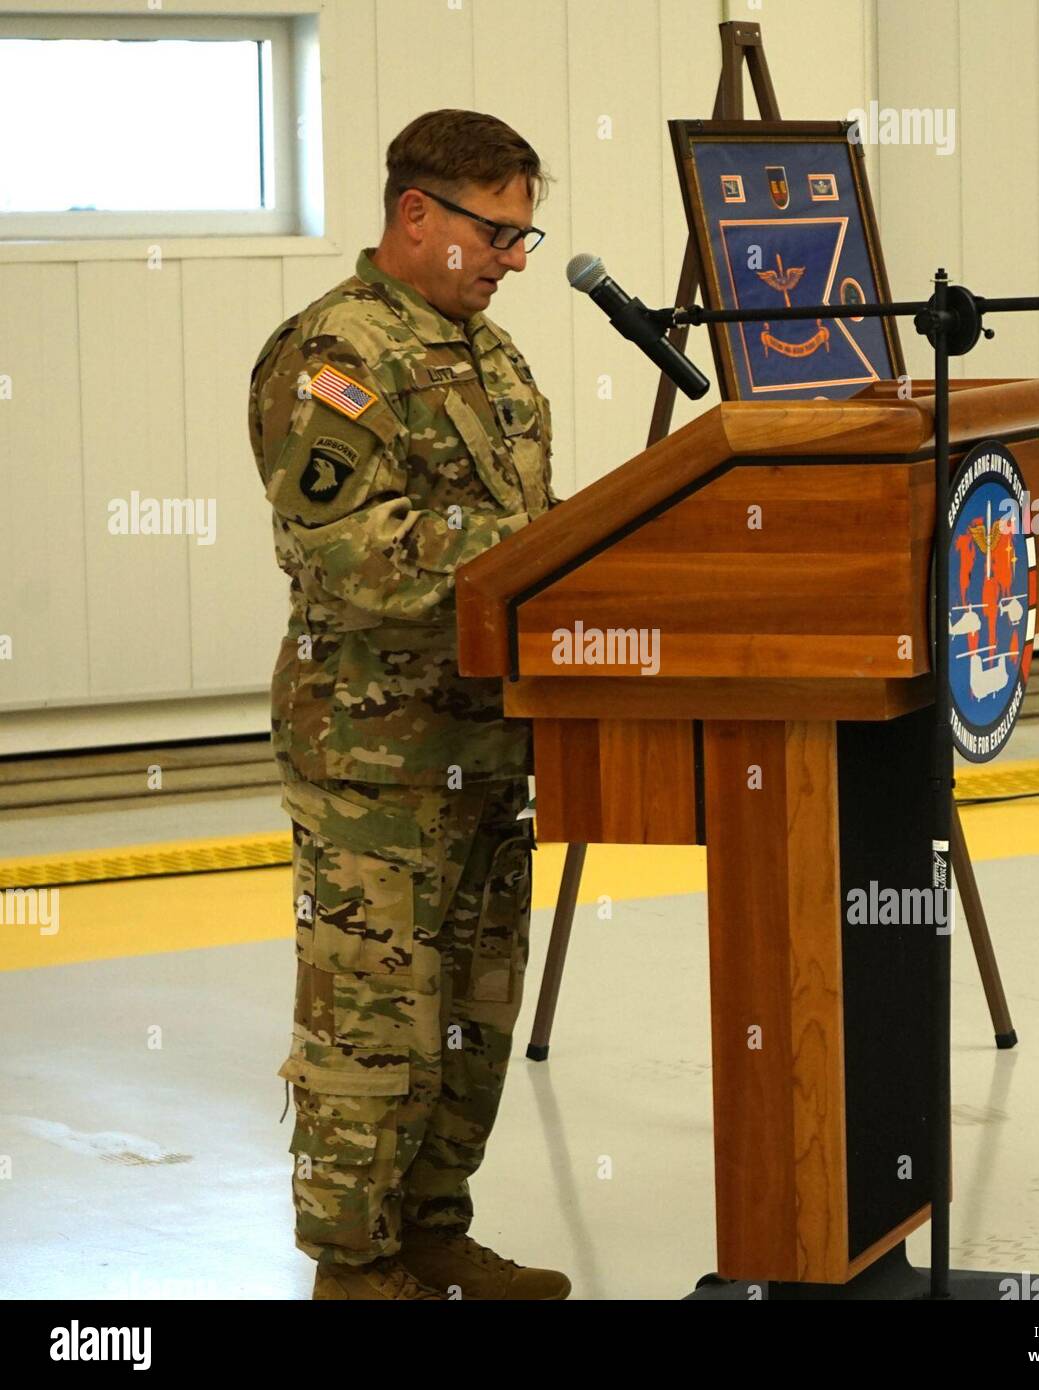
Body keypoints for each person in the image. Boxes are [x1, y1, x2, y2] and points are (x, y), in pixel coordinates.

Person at [247, 108, 568, 1301]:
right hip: (372, 754)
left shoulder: (494, 358)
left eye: (526, 236)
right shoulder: (336, 355)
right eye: (494, 232)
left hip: (489, 742)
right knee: (374, 1026)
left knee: (473, 1017)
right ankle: (353, 1262)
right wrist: (541, 547)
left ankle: (434, 1231)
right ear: (415, 213)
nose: (511, 259)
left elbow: (538, 533)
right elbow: (343, 546)